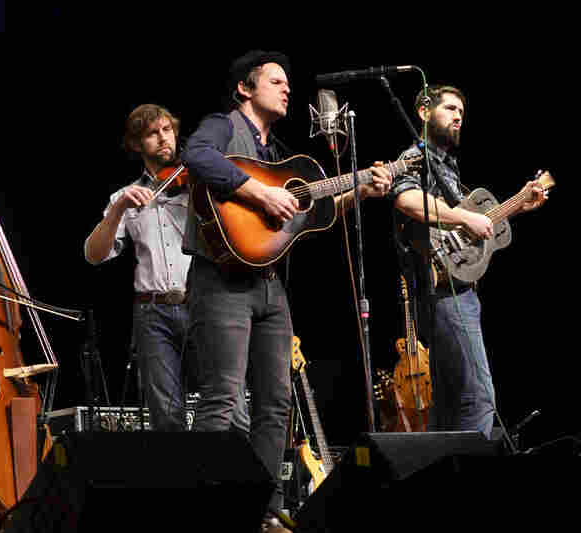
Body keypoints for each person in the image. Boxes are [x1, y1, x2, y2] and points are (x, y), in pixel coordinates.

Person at [181, 50, 391, 531]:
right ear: (245, 89)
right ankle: (206, 509)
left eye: (288, 82)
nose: (288, 88)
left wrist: (361, 189)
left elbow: (307, 216)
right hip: (222, 283)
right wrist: (259, 193)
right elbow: (196, 157)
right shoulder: (222, 125)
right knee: (222, 398)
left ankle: (263, 507)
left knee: (276, 402)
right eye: (276, 81)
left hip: (271, 288)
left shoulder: (278, 155)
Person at [390, 84, 546, 438]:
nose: (458, 116)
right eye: (449, 109)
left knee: (447, 406)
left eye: (462, 111)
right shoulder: (414, 158)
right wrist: (465, 218)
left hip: (456, 291)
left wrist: (521, 202)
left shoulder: (448, 168)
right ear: (424, 112)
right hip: (444, 293)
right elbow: (407, 200)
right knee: (478, 398)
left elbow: (476, 228)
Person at [84, 104, 250, 432]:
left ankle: (235, 480)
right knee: (166, 418)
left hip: (204, 304)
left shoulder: (200, 185)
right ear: (135, 144)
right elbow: (94, 254)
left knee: (230, 410)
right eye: (151, 134)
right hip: (153, 315)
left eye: (167, 130)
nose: (163, 139)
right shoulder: (127, 198)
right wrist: (118, 209)